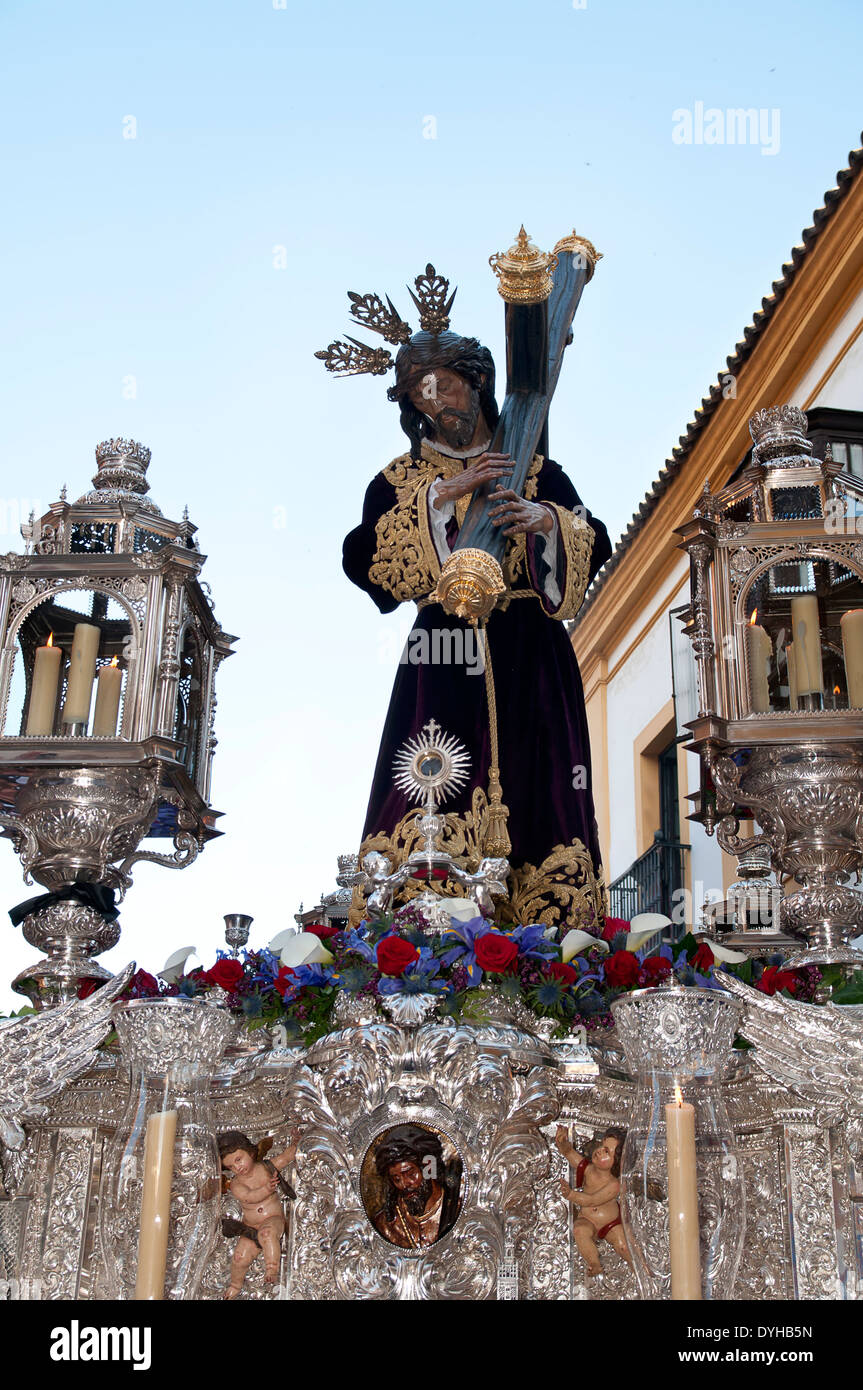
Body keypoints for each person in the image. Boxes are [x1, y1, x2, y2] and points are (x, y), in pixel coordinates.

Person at [343, 324, 612, 929]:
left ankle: (553, 956)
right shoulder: (399, 481)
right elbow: (366, 563)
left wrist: (544, 521)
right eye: (417, 393)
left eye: (443, 385)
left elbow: (593, 541)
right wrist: (441, 498)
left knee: (544, 790)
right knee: (429, 785)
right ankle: (422, 941)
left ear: (480, 380)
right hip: (442, 659)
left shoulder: (540, 472)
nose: (433, 402)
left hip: (532, 657)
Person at [217, 1129, 300, 1299]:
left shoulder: (266, 1168)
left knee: (267, 1234)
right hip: (250, 1226)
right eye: (231, 1166)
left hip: (273, 1219)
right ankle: (235, 1284)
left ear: (250, 1152)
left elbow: (286, 1157)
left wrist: (296, 1142)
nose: (237, 1167)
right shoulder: (236, 1184)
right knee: (240, 1257)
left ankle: (271, 1268)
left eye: (239, 1160)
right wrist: (266, 1189)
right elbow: (248, 1197)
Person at [555, 1124, 632, 1276]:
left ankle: (637, 1265)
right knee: (579, 1230)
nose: (599, 1151)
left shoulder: (614, 1184)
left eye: (606, 1152)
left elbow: (592, 1200)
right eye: (602, 1146)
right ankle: (594, 1263)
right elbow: (569, 1153)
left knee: (623, 1246)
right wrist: (562, 1141)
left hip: (609, 1223)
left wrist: (571, 1195)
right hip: (587, 1219)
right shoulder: (588, 1169)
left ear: (617, 1162)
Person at [370, 1124, 462, 1250]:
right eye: (396, 1179)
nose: (404, 1184)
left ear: (428, 1167)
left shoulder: (458, 1210)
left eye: (410, 1174)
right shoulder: (385, 1225)